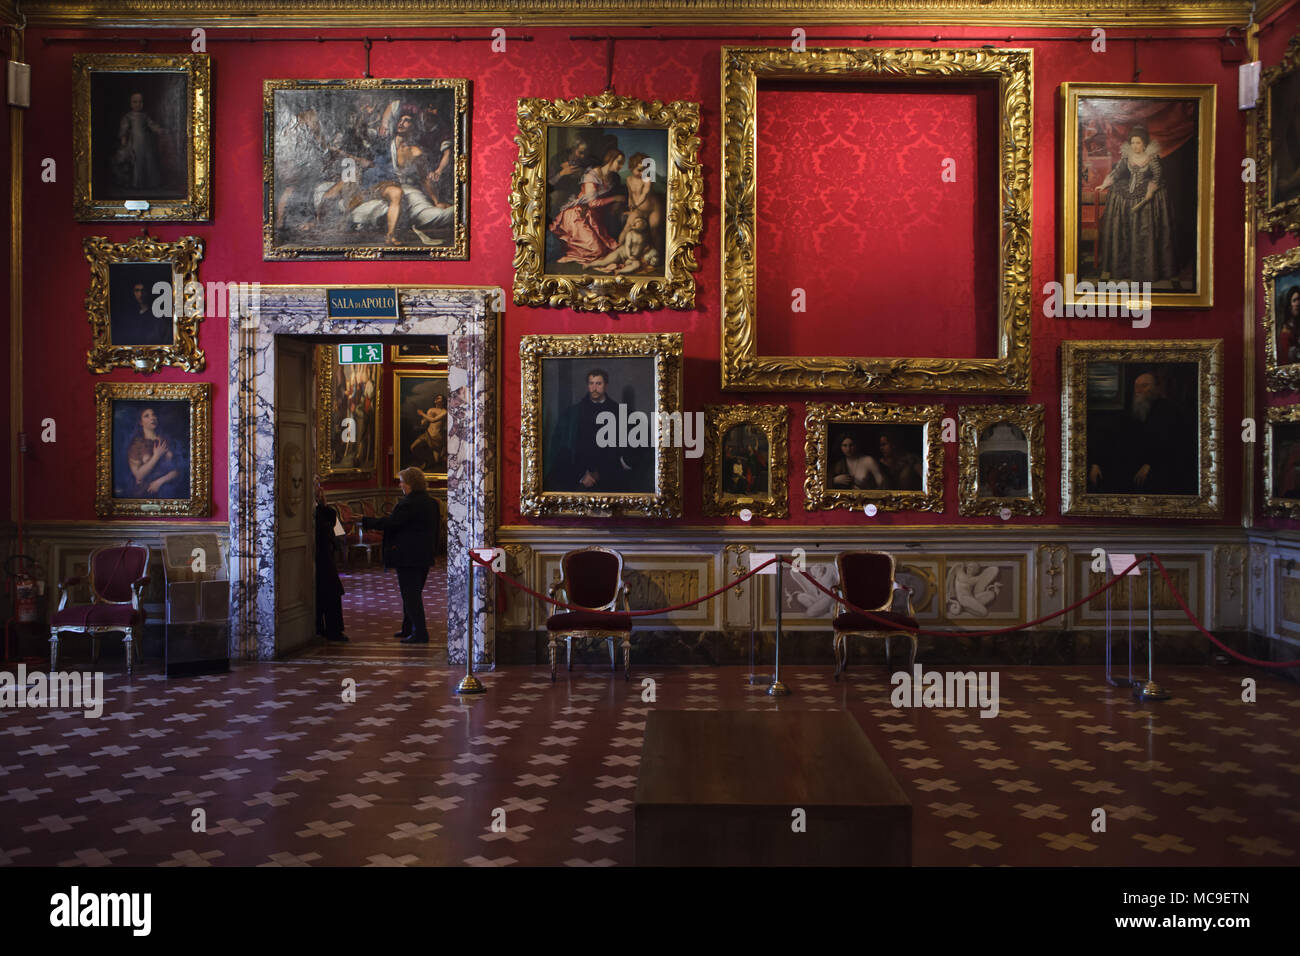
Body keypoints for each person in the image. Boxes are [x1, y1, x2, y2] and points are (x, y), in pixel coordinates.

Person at [361, 467, 441, 644]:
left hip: (408, 556)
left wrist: (364, 520)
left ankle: (420, 632)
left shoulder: (407, 504)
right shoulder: (431, 502)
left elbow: (391, 523)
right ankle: (408, 628)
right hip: (424, 555)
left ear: (410, 484)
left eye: (402, 481)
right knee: (412, 593)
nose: (400, 485)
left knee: (410, 595)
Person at [1096, 124, 1177, 284]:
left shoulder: (1152, 158)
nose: (1135, 146)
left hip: (1146, 193)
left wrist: (1150, 191)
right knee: (1118, 194)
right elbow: (1117, 172)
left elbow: (1157, 176)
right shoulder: (1127, 157)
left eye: (1138, 143)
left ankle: (1147, 268)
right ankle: (1124, 267)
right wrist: (1105, 184)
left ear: (1144, 144)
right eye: (1133, 143)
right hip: (1130, 192)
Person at [1088, 371, 1190, 494]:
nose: (1138, 390)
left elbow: (1170, 443)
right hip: (1128, 467)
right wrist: (1096, 462)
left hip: (1157, 468)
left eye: (1144, 386)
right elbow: (1109, 436)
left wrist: (1150, 464)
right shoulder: (1129, 409)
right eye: (1136, 386)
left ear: (1156, 388)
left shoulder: (1168, 410)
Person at [544, 368, 637, 492]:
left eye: (598, 383)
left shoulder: (620, 412)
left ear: (606, 385)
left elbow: (628, 451)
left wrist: (613, 467)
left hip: (610, 478)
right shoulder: (573, 413)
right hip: (579, 476)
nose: (594, 388)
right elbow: (563, 449)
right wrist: (581, 475)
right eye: (591, 383)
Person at [549, 148, 627, 265]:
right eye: (619, 162)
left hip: (593, 216)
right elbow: (592, 203)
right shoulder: (592, 175)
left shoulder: (612, 178)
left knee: (604, 249)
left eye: (622, 163)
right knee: (596, 251)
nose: (620, 166)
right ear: (610, 159)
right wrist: (615, 198)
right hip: (577, 215)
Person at [123, 406, 187, 498]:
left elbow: (178, 470)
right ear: (140, 422)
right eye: (146, 416)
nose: (152, 418)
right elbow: (139, 476)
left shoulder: (166, 440)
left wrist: (159, 482)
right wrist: (156, 456)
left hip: (168, 489)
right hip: (146, 492)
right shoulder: (136, 445)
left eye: (153, 415)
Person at [313, 480, 348, 643]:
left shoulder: (325, 511)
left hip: (325, 556)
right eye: (316, 485)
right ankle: (322, 629)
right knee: (325, 593)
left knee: (331, 592)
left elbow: (334, 526)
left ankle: (332, 630)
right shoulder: (314, 512)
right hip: (317, 556)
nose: (320, 488)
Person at [114, 91, 163, 192]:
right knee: (137, 161)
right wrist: (123, 138)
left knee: (148, 160)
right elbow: (124, 128)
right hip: (134, 142)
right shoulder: (129, 116)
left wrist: (159, 130)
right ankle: (136, 183)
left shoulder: (144, 116)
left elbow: (151, 124)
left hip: (145, 142)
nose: (138, 104)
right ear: (131, 103)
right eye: (135, 102)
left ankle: (150, 183)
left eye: (140, 102)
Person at [410, 393, 448, 472]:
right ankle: (426, 460)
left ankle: (437, 458)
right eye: (436, 397)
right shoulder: (431, 410)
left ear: (443, 401)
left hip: (437, 437)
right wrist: (423, 421)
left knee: (437, 461)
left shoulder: (444, 412)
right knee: (413, 447)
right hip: (427, 434)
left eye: (439, 398)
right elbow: (426, 422)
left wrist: (422, 414)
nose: (437, 398)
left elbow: (433, 420)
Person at [1278, 286, 1300, 365]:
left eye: (1299, 299)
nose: (1298, 303)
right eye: (1294, 300)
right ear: (1289, 305)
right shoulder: (1285, 330)